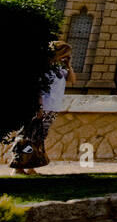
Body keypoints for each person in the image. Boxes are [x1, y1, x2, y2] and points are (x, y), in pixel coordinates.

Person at [11, 41, 76, 176]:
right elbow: (37, 89)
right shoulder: (43, 68)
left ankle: (30, 166)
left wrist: (68, 65)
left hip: (52, 107)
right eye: (67, 54)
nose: (68, 56)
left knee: (38, 138)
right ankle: (17, 166)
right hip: (40, 107)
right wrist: (38, 107)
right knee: (27, 137)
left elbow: (72, 80)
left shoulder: (60, 69)